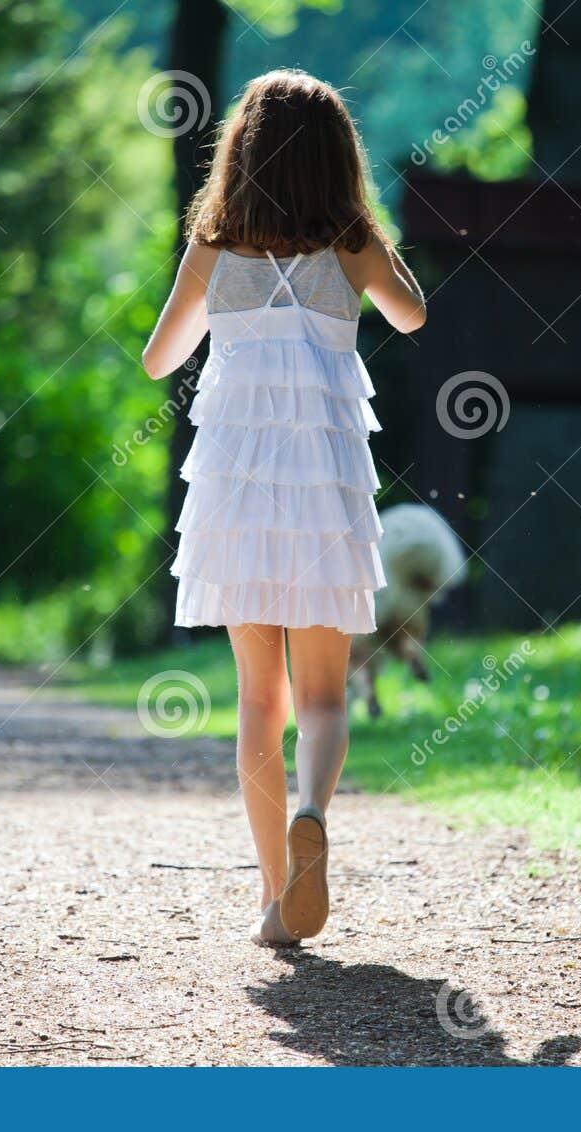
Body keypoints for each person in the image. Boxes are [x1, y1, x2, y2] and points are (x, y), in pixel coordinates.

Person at [142, 68, 427, 945]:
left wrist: (213, 298)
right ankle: (314, 814)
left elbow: (159, 361)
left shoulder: (214, 248)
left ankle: (277, 896)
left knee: (257, 704)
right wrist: (368, 236)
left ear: (241, 156)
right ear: (340, 162)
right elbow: (412, 315)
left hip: (235, 497)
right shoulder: (350, 243)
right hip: (325, 492)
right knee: (325, 698)